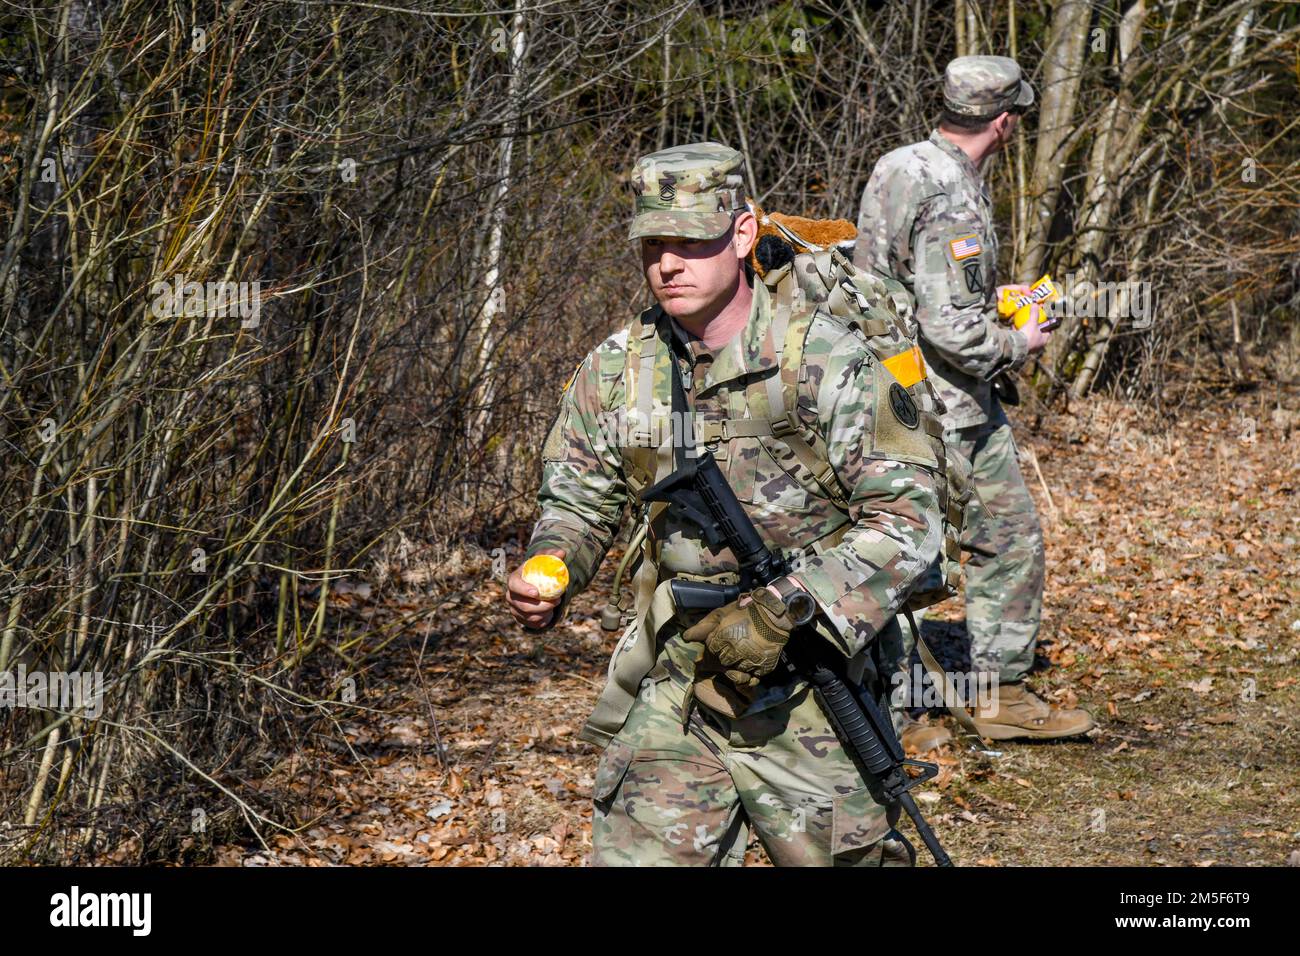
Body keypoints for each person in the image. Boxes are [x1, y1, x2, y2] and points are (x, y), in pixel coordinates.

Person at [506, 142, 947, 865]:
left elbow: (908, 523)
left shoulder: (826, 360)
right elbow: (579, 498)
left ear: (742, 235)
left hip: (813, 685)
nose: (668, 264)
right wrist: (551, 562)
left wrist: (786, 606)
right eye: (653, 245)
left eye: (689, 241)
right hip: (683, 681)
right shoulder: (618, 369)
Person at [854, 56, 1094, 741]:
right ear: (1005, 121)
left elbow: (902, 280)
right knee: (1005, 542)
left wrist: (992, 298)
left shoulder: (899, 164)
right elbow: (950, 327)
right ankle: (993, 700)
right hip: (944, 405)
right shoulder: (952, 193)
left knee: (896, 550)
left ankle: (887, 712)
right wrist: (1022, 344)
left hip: (879, 388)